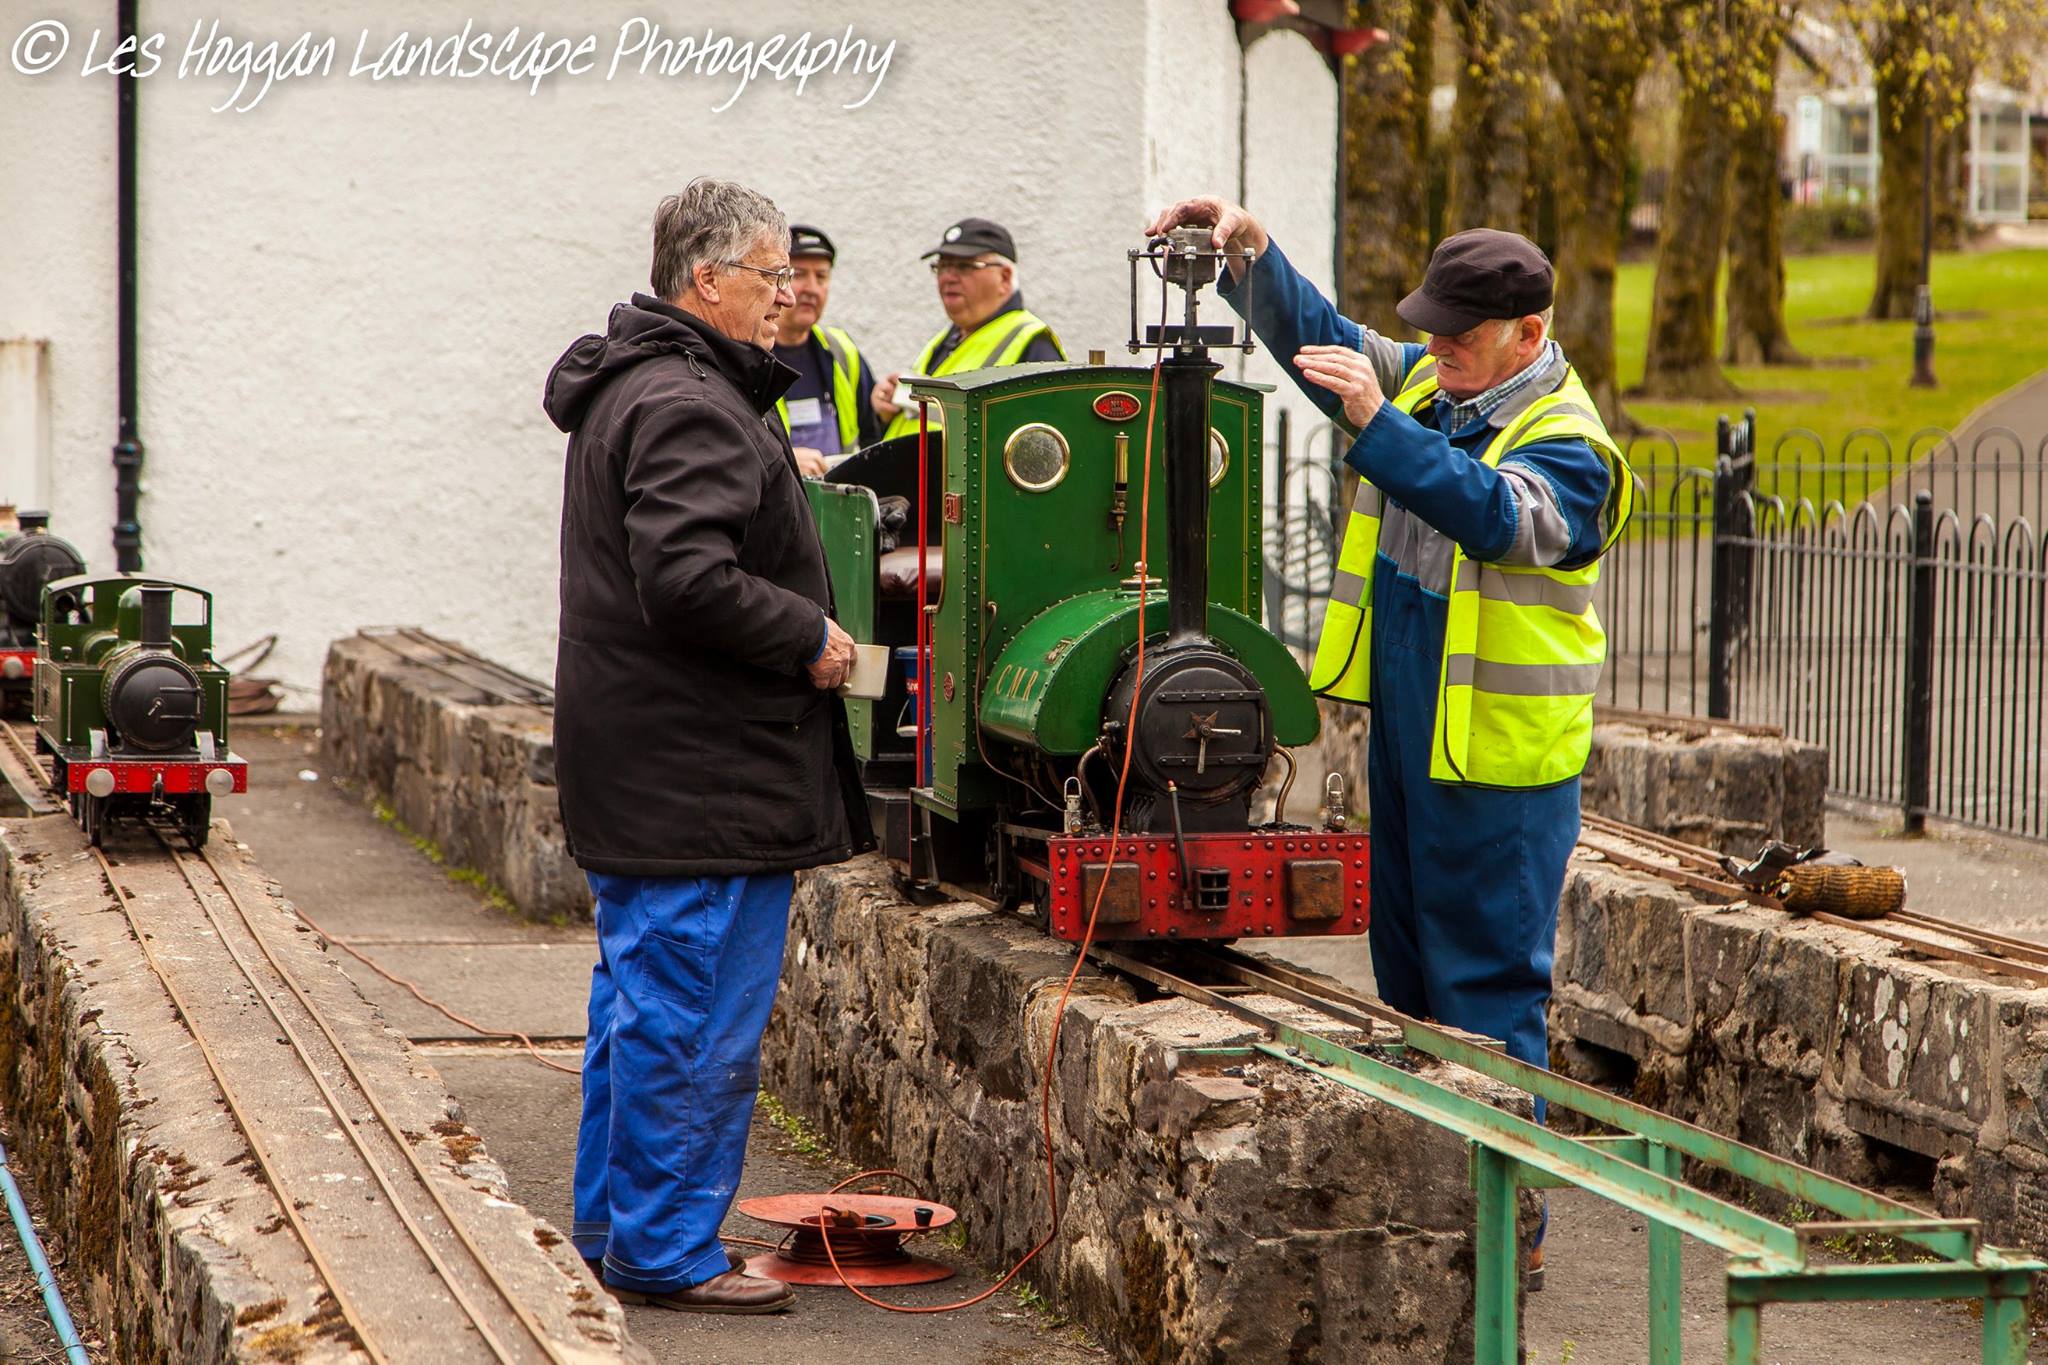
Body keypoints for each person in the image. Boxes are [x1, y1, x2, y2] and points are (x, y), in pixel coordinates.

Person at [1145, 195, 1632, 1275]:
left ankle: (1509, 1240)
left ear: (1527, 337)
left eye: (1456, 336)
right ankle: (1442, 1220)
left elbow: (1495, 515)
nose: (1431, 348)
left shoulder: (1569, 445)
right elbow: (1322, 340)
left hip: (1495, 766)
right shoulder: (1429, 380)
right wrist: (1249, 252)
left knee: (1486, 996)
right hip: (1412, 745)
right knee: (1407, 983)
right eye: (1428, 330)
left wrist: (1378, 427)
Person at [543, 177, 875, 1314]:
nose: (790, 296)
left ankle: (611, 1228)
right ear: (706, 280)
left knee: (642, 1015)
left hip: (653, 766)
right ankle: (666, 1253)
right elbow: (685, 577)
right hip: (702, 778)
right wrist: (811, 635)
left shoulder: (644, 382)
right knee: (690, 1027)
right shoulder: (687, 399)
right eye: (772, 275)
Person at [875, 217, 1066, 440]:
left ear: (1004, 277)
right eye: (942, 266)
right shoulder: (946, 340)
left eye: (965, 266)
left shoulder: (1032, 342)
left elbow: (1045, 445)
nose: (948, 277)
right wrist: (886, 410)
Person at [772, 223, 884, 476]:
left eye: (821, 277)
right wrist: (784, 461)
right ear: (777, 279)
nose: (812, 288)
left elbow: (871, 435)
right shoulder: (749, 356)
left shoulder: (841, 351)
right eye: (799, 274)